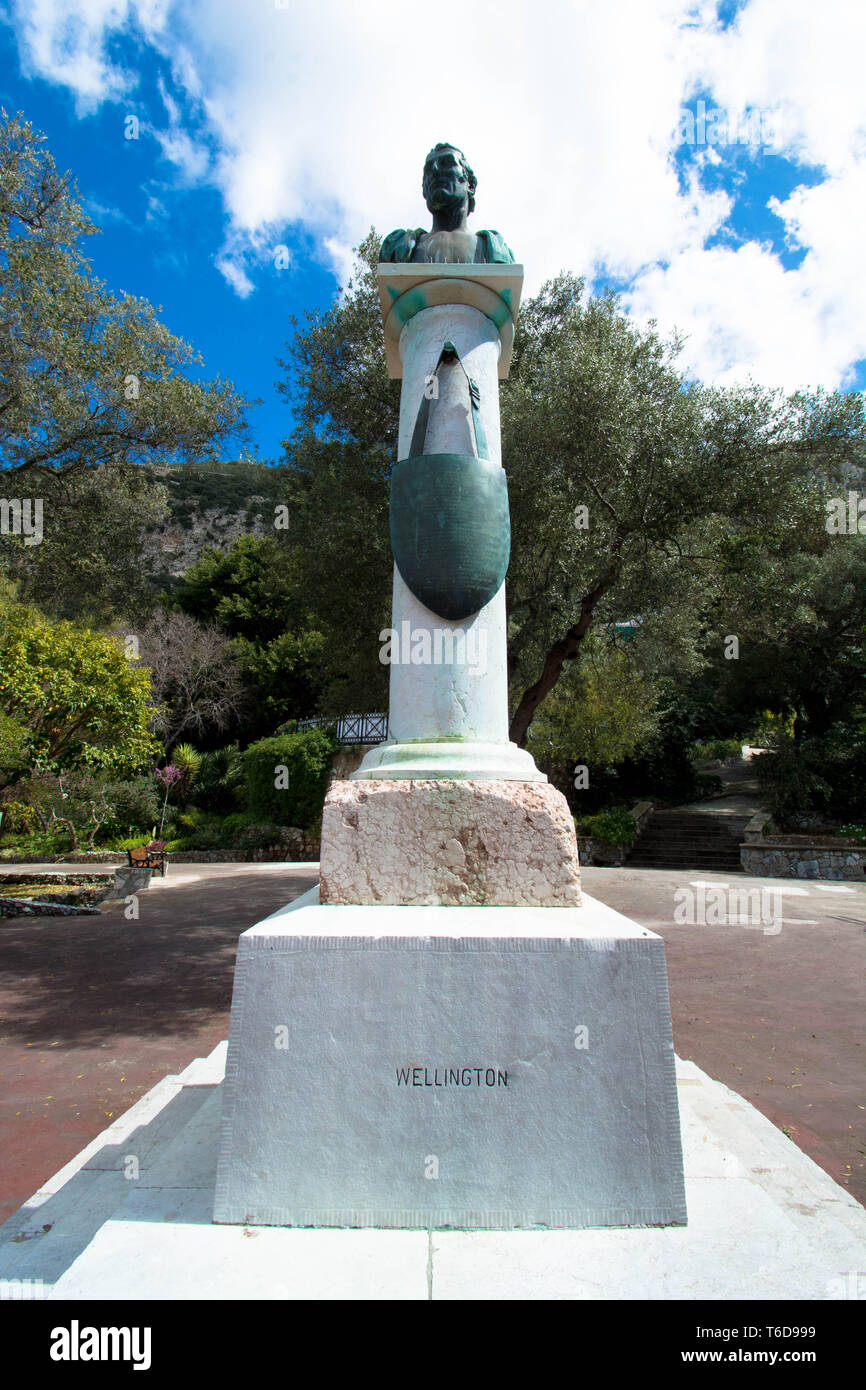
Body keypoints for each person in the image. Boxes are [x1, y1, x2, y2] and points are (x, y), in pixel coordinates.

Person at [380, 143, 514, 264]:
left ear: (470, 185)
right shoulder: (399, 248)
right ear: (424, 190)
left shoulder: (494, 250)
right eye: (428, 169)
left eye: (446, 163)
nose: (435, 170)